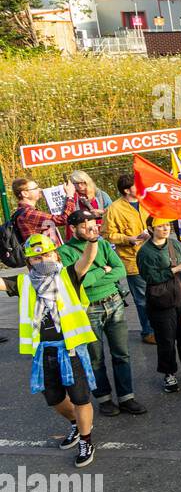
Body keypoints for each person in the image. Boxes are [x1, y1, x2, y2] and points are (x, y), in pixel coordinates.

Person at [0, 233, 102, 467]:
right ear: (29, 262)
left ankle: (86, 440)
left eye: (46, 254)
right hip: (44, 350)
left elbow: (86, 260)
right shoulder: (25, 282)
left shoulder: (68, 275)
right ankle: (76, 424)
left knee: (80, 397)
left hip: (72, 348)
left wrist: (93, 240)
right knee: (54, 399)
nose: (43, 260)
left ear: (56, 254)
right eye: (36, 258)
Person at [58, 210, 147, 417]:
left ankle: (127, 398)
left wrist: (99, 273)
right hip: (89, 309)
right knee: (95, 357)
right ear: (72, 228)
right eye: (85, 226)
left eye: (93, 225)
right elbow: (80, 281)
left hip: (114, 303)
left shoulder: (104, 244)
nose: (91, 230)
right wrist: (103, 270)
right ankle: (104, 399)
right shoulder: (65, 252)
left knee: (121, 353)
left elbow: (120, 270)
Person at [135, 217, 181, 394]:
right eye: (160, 226)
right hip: (161, 302)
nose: (165, 229)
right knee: (166, 340)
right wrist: (176, 269)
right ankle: (169, 374)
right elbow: (150, 278)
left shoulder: (174, 243)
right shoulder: (145, 252)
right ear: (150, 228)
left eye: (167, 225)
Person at [103, 173, 155, 344]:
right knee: (142, 299)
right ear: (126, 190)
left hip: (155, 255)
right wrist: (128, 239)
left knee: (158, 294)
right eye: (136, 185)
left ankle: (162, 327)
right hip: (133, 259)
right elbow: (107, 234)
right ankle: (148, 332)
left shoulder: (147, 201)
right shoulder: (114, 209)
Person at [11, 176, 75, 245]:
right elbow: (64, 219)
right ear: (25, 194)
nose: (40, 189)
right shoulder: (28, 214)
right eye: (35, 188)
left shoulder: (24, 212)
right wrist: (70, 195)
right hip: (44, 254)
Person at [64, 170, 112, 237]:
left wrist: (101, 212)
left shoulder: (101, 195)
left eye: (82, 183)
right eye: (76, 183)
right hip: (84, 234)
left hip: (103, 232)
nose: (80, 186)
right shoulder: (71, 198)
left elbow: (113, 212)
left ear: (87, 181)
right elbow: (66, 216)